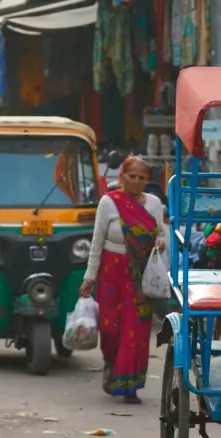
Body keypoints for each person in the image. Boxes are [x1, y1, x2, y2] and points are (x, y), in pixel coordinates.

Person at [79, 157, 168, 404]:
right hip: (111, 272)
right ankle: (110, 362)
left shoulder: (154, 203)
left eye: (142, 178)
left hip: (141, 275)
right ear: (122, 177)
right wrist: (89, 279)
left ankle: (130, 386)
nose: (137, 182)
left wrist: (161, 242)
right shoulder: (109, 202)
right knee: (110, 328)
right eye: (132, 176)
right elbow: (97, 241)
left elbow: (161, 232)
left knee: (137, 330)